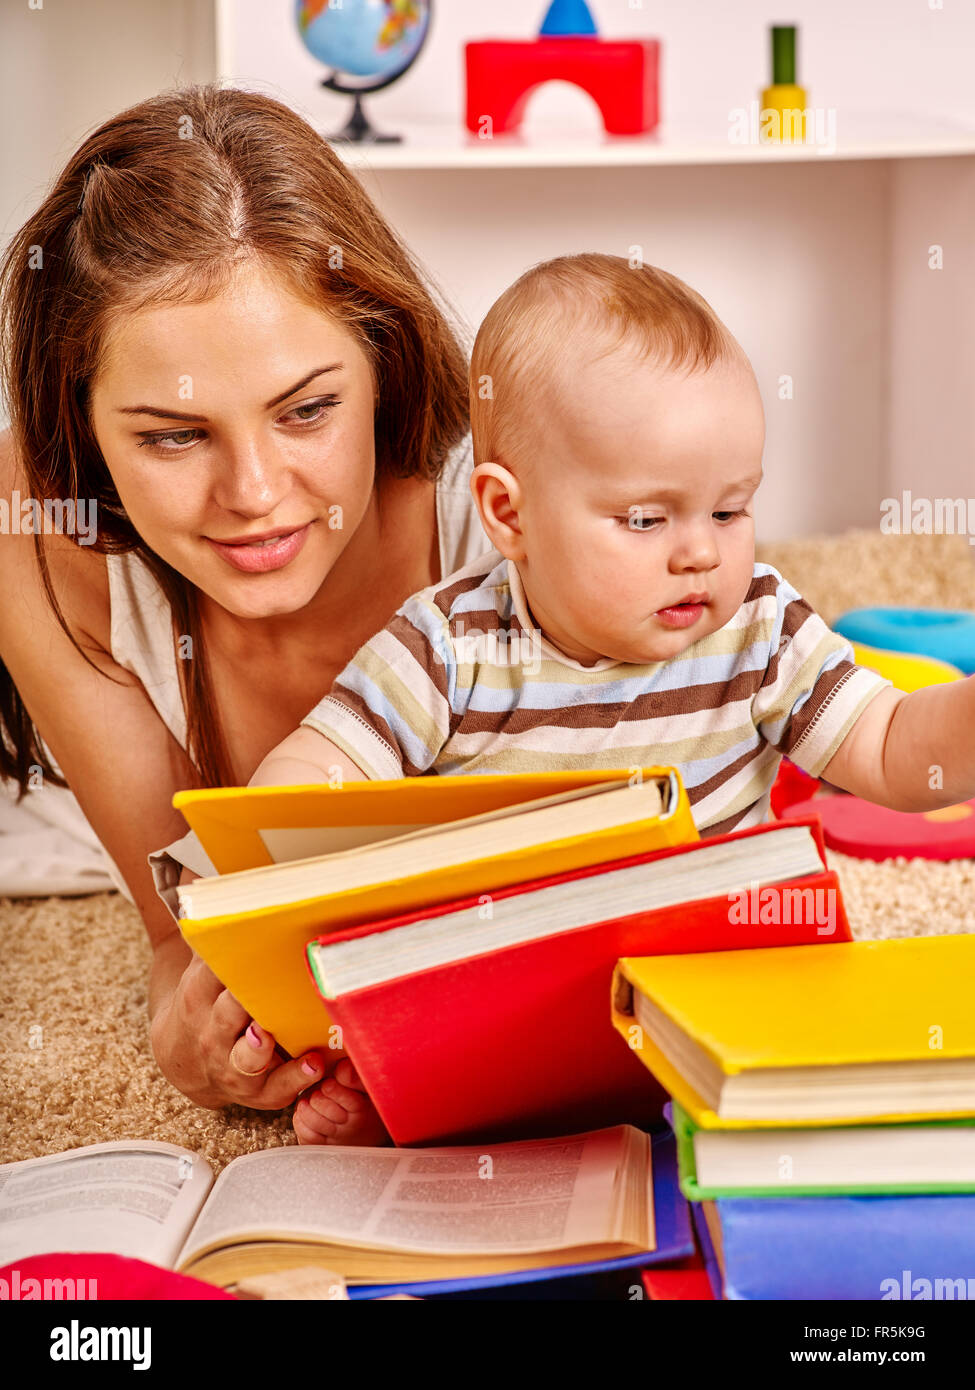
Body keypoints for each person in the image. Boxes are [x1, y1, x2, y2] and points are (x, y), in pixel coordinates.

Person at [250, 251, 975, 1144]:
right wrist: (276, 865)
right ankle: (419, 1105)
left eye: (728, 510)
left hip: (710, 983)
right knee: (422, 1042)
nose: (700, 554)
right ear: (508, 515)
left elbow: (894, 743)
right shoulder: (448, 646)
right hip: (513, 990)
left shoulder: (756, 627)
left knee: (805, 1071)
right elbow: (307, 781)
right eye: (646, 519)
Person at [0, 84, 490, 1120]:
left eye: (309, 409)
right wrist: (188, 1028)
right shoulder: (34, 531)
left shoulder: (495, 503)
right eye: (174, 436)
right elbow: (181, 936)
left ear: (384, 364)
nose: (255, 496)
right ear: (81, 431)